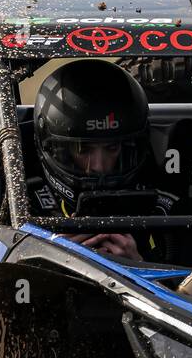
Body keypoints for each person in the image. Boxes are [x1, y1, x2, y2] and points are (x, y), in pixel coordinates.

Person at [29, 59, 178, 261]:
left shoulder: (158, 202)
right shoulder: (23, 201)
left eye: (112, 148)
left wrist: (138, 265)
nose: (98, 166)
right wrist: (49, 259)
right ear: (53, 149)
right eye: (83, 149)